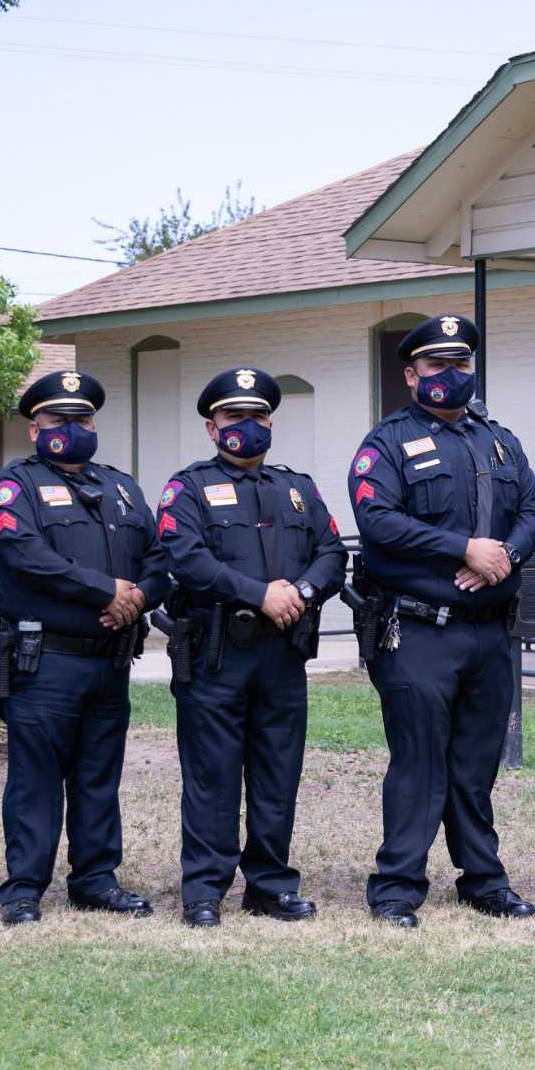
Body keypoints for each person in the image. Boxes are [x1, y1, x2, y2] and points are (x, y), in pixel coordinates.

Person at [350, 315, 535, 928]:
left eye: (460, 364)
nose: (451, 375)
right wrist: (463, 548)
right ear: (411, 375)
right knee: (418, 762)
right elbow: (377, 520)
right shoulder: (384, 443)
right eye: (437, 366)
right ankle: (397, 886)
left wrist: (503, 557)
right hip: (416, 631)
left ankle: (483, 881)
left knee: (475, 765)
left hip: (489, 630)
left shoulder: (497, 439)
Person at [147, 367, 346, 928]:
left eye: (257, 415)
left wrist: (300, 592)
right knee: (212, 775)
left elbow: (332, 552)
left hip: (282, 653)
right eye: (234, 416)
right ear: (213, 428)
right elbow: (184, 558)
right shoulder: (185, 488)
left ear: (270, 423)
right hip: (215, 653)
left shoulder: (297, 488)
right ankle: (205, 890)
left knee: (277, 772)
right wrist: (260, 594)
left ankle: (269, 885)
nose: (247, 425)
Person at [0, 369, 170, 926]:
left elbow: (159, 559)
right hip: (46, 661)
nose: (71, 428)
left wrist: (135, 598)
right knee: (36, 779)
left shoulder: (121, 487)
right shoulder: (17, 487)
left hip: (109, 660)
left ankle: (94, 880)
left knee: (97, 777)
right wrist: (105, 589)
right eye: (58, 419)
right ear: (35, 427)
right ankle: (23, 889)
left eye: (81, 418)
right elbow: (24, 553)